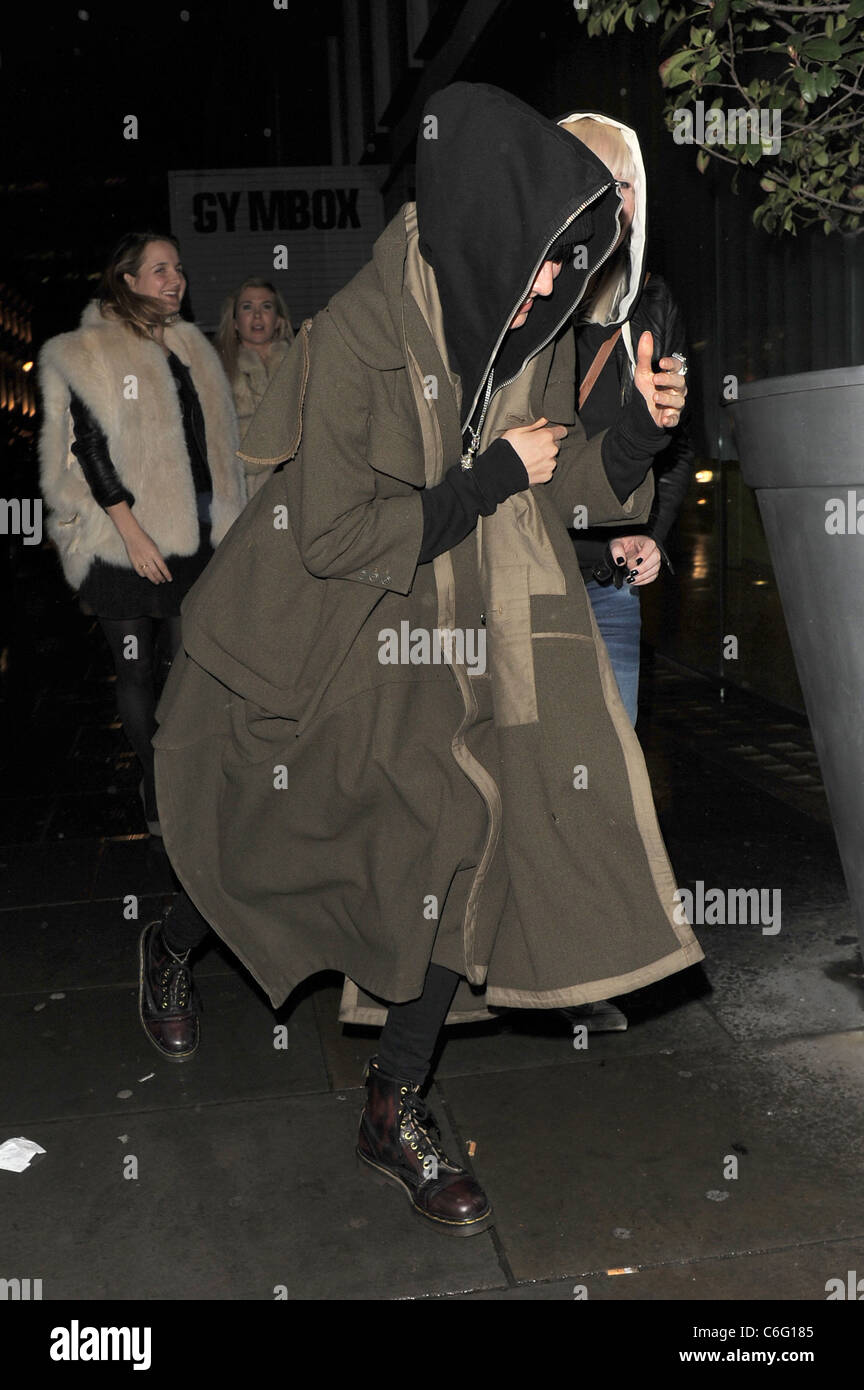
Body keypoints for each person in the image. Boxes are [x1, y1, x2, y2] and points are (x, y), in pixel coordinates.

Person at [150, 83, 702, 1235]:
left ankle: (393, 1102)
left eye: (572, 267)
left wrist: (640, 429)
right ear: (492, 233)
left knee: (463, 838)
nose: (558, 290)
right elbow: (347, 534)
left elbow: (575, 482)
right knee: (275, 840)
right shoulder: (358, 333)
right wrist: (494, 471)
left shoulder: (525, 321)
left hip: (453, 633)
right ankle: (173, 933)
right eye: (547, 264)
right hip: (326, 629)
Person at [557, 113, 694, 1035]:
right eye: (610, 178)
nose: (628, 198)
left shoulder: (657, 306)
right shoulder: (521, 304)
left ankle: (588, 969)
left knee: (606, 784)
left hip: (606, 586)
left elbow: (679, 445)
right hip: (520, 582)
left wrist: (653, 534)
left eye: (635, 180)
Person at [38, 233, 246, 835]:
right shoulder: (91, 351)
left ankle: (186, 781)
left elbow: (211, 446)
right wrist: (131, 533)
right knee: (135, 670)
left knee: (187, 665)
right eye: (159, 270)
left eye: (177, 269)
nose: (174, 279)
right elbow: (91, 448)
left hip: (195, 534)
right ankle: (155, 783)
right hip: (120, 538)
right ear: (126, 280)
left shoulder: (189, 346)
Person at [215, 278, 295, 498]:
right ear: (235, 322)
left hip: (297, 483)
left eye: (266, 307)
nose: (257, 316)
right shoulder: (218, 370)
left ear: (278, 320)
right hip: (241, 488)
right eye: (247, 307)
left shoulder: (301, 365)